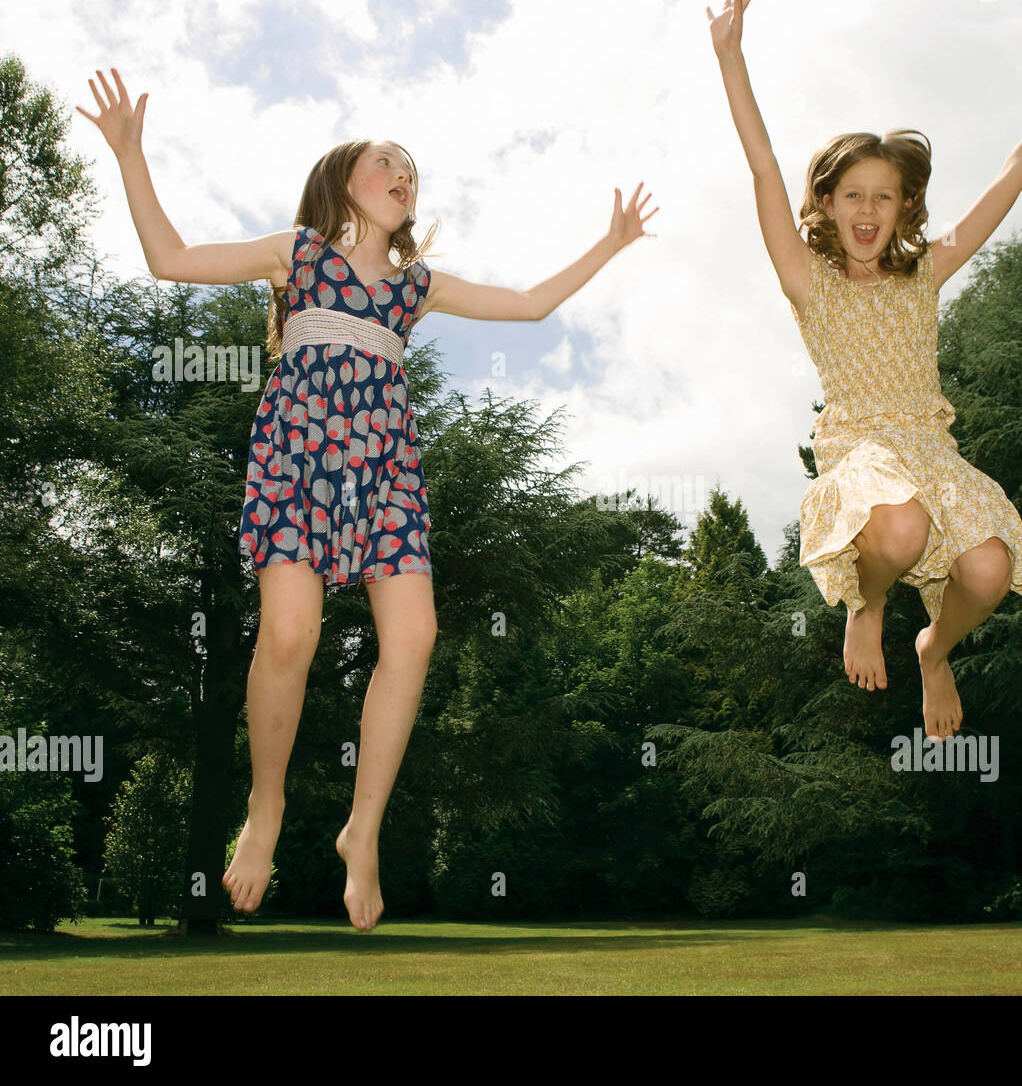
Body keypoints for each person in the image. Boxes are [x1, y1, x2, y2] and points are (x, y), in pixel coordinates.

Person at [77, 69, 657, 930]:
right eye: (388, 162)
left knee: (415, 635)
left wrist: (609, 244)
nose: (404, 176)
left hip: (385, 464)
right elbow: (170, 259)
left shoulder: (417, 283)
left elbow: (532, 306)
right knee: (288, 632)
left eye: (411, 171)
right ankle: (265, 808)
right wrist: (130, 154)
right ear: (344, 180)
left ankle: (363, 830)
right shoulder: (299, 254)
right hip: (300, 451)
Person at [707, 1, 1022, 738]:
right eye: (853, 195)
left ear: (905, 205)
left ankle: (934, 648)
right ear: (827, 204)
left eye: (884, 195)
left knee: (987, 572)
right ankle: (867, 606)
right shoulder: (809, 281)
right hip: (861, 446)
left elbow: (1010, 180)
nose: (868, 208)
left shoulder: (924, 275)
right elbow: (761, 165)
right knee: (901, 531)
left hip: (931, 448)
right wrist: (729, 55)